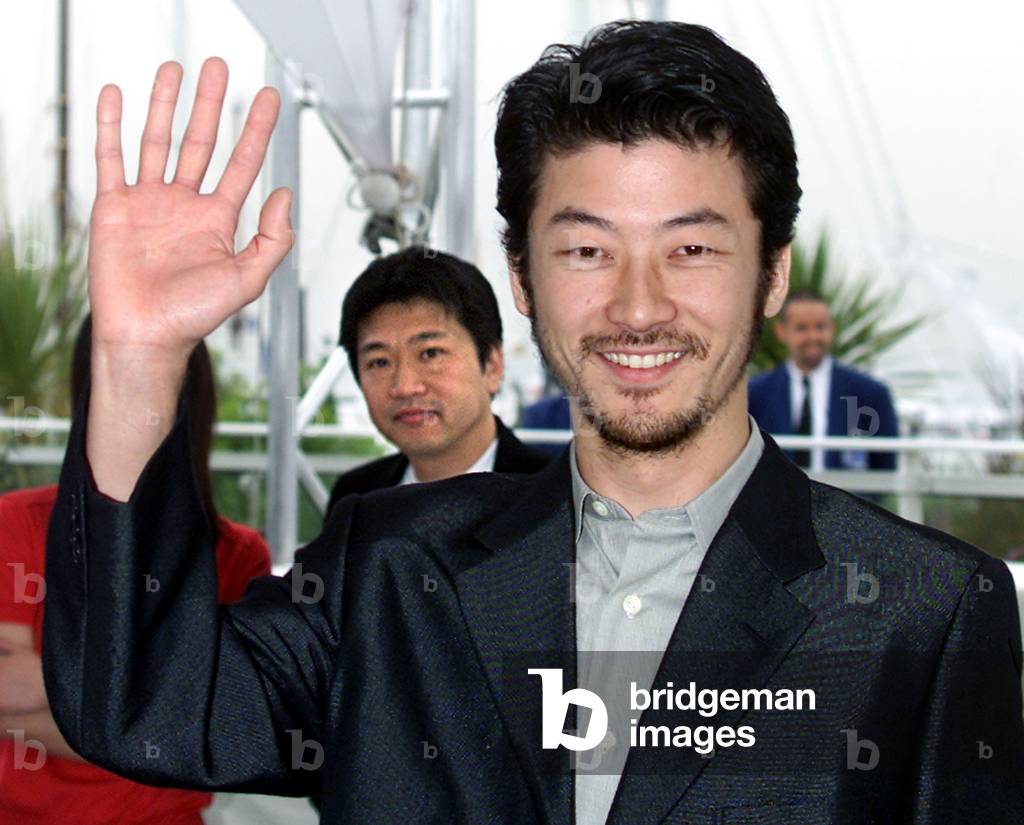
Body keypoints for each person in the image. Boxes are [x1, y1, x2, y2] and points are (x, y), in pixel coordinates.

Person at [41, 23, 1023, 825]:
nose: (640, 307)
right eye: (587, 250)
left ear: (769, 273)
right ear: (521, 277)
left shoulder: (922, 608)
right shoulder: (391, 568)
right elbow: (142, 710)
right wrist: (138, 359)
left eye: (691, 248)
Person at [0, 316, 271, 825]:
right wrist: (144, 697)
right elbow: (167, 728)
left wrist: (45, 683)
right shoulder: (15, 522)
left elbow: (199, 734)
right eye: (116, 382)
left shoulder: (237, 554)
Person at [326, 245, 549, 513]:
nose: (405, 387)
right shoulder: (355, 497)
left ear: (491, 365)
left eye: (430, 353)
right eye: (380, 362)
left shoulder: (555, 497)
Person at [748, 288, 900, 471]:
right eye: (802, 328)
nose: (813, 337)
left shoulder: (870, 394)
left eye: (820, 327)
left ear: (832, 328)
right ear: (782, 332)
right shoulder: (755, 395)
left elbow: (884, 468)